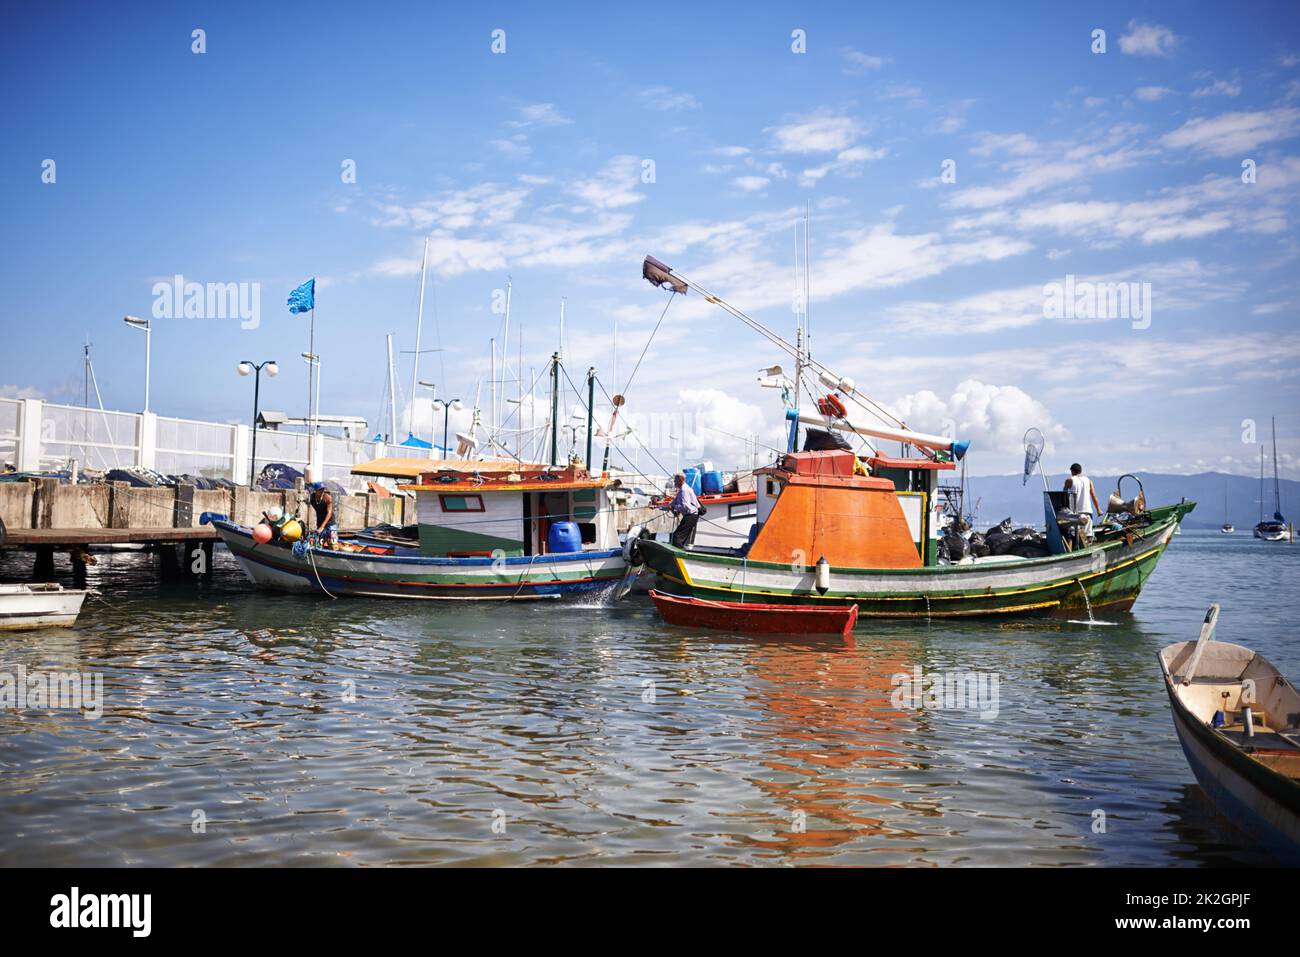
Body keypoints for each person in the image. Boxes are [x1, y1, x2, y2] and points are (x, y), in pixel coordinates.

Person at [1064, 463, 1100, 545]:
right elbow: (1094, 496)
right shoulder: (1088, 480)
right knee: (1088, 537)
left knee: (1071, 536)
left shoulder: (1070, 480)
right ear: (1081, 471)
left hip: (1074, 514)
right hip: (1087, 512)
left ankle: (1070, 554)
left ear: (1072, 471)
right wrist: (1098, 510)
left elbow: (1063, 495)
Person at [668, 472, 701, 548]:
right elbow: (674, 502)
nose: (674, 482)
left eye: (675, 480)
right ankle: (680, 551)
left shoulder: (684, 490)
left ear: (680, 480)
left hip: (691, 516)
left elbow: (685, 506)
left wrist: (674, 507)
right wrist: (666, 506)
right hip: (689, 516)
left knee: (677, 537)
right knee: (678, 537)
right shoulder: (681, 490)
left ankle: (679, 555)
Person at [309, 481, 338, 548]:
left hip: (330, 524)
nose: (322, 491)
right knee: (319, 544)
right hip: (320, 523)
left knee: (333, 544)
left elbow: (329, 513)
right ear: (315, 490)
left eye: (323, 489)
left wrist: (322, 527)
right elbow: (309, 501)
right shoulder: (312, 498)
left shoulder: (327, 498)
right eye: (320, 489)